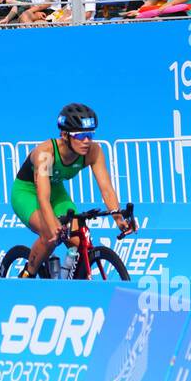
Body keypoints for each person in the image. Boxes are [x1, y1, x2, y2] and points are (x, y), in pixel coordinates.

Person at [10, 103, 127, 277]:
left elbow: (107, 189)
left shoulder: (93, 152)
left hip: (55, 190)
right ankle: (27, 274)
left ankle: (67, 280)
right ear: (64, 135)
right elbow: (43, 197)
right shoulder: (46, 153)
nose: (87, 141)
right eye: (80, 135)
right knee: (50, 234)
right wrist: (53, 226)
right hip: (27, 193)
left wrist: (119, 219)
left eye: (90, 134)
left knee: (78, 240)